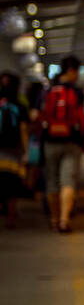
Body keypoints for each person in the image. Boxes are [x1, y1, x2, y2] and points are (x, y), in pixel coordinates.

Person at [41, 56, 84, 233]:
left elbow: (35, 116)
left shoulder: (47, 91)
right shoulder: (80, 93)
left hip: (50, 141)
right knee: (68, 181)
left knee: (52, 182)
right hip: (72, 142)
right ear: (72, 70)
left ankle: (54, 219)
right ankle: (64, 220)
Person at [0, 72, 30, 227]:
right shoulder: (20, 105)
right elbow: (24, 129)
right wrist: (26, 152)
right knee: (11, 185)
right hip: (13, 151)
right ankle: (11, 217)